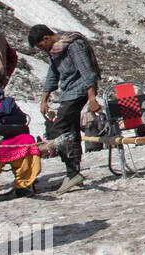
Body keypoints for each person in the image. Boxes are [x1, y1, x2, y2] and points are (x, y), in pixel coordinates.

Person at [29, 24, 100, 195]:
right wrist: (44, 98)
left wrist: (92, 98)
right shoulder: (54, 51)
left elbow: (87, 71)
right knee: (71, 130)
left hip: (79, 91)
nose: (41, 49)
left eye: (40, 46)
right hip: (67, 93)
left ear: (46, 38)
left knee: (58, 131)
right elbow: (53, 74)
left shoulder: (73, 45)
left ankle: (72, 171)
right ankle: (73, 173)